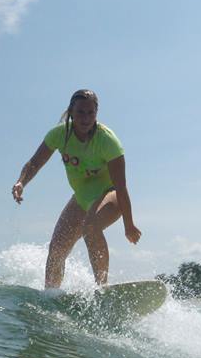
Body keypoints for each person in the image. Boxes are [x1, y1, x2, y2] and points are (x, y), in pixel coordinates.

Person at [12, 89, 142, 288]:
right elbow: (34, 163)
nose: (86, 118)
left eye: (91, 113)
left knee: (90, 228)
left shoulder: (107, 141)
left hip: (110, 194)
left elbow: (122, 187)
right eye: (81, 112)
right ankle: (51, 294)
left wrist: (129, 224)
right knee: (56, 250)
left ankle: (102, 289)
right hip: (82, 198)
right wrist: (21, 182)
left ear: (96, 113)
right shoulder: (59, 135)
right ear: (71, 111)